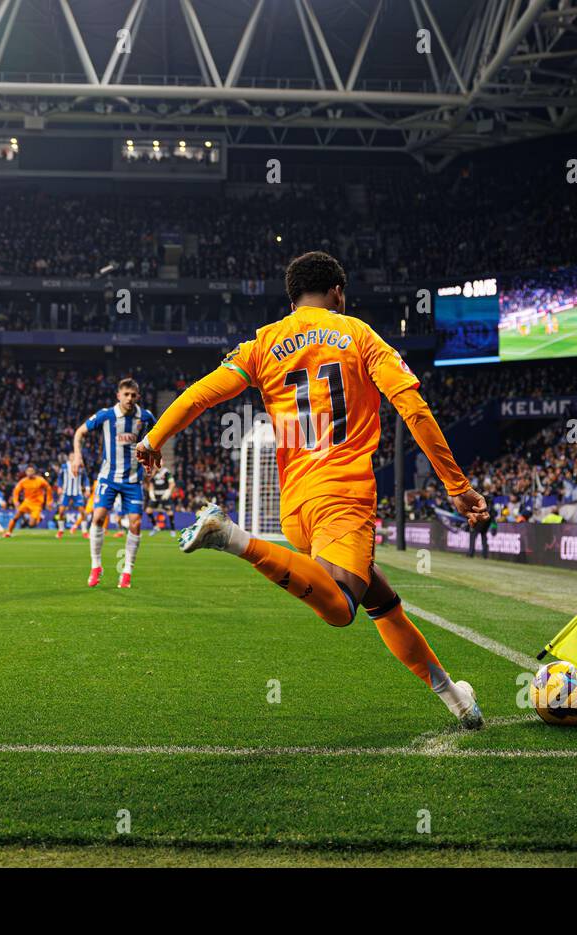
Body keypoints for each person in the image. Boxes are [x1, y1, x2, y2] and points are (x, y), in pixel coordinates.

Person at [134, 251, 491, 728]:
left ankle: (455, 696)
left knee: (380, 600)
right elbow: (413, 406)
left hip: (296, 506)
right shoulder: (359, 334)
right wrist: (456, 484)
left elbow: (202, 392)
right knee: (342, 607)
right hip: (342, 495)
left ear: (293, 296)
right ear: (338, 292)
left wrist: (154, 437)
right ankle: (232, 538)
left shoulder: (263, 343)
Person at [71, 378, 156, 588]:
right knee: (98, 517)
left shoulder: (145, 417)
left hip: (133, 480)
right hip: (108, 478)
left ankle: (126, 572)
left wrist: (153, 459)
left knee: (135, 523)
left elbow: (159, 435)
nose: (130, 398)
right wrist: (77, 456)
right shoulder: (106, 415)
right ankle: (96, 565)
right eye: (126, 394)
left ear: (138, 397)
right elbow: (79, 433)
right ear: (118, 395)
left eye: (133, 395)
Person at [5, 466, 51, 538]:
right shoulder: (23, 481)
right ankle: (8, 532)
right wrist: (16, 501)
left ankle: (39, 518)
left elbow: (48, 488)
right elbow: (16, 491)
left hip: (37, 504)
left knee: (31, 524)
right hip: (26, 503)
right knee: (16, 517)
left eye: (31, 471)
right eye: (28, 471)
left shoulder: (40, 480)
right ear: (26, 472)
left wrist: (48, 501)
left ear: (34, 472)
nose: (30, 473)